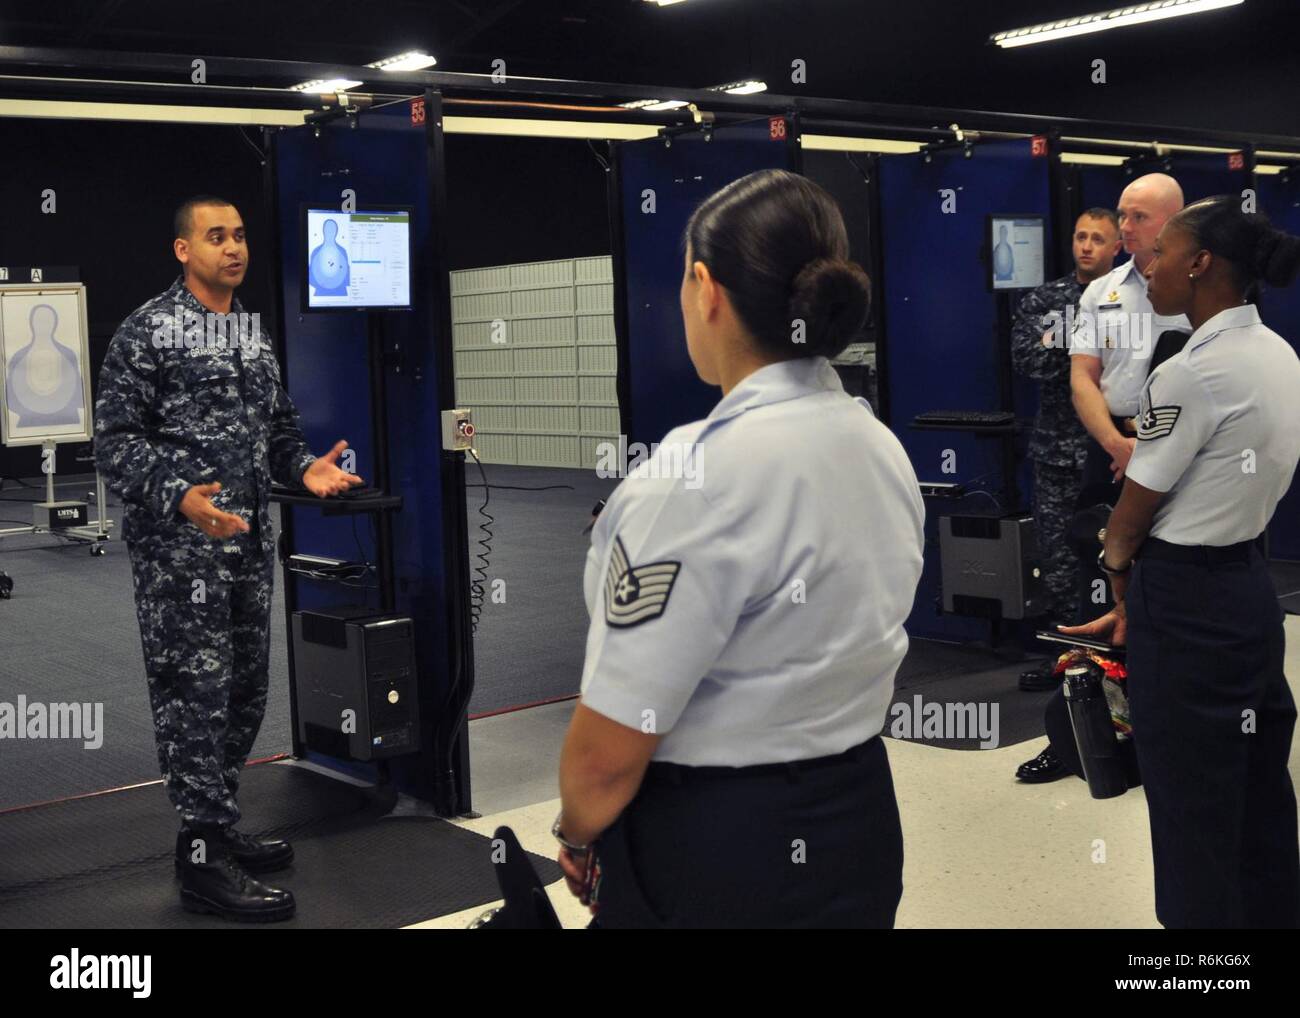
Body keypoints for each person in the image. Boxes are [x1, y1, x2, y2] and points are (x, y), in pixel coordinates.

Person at [552, 169, 925, 928]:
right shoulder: (878, 444)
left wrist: (578, 832)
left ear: (705, 288)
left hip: (717, 848)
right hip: (856, 819)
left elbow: (608, 750)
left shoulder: (692, 478)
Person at [95, 196, 363, 922]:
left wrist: (304, 466)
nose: (233, 248)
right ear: (183, 250)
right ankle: (202, 858)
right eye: (216, 237)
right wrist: (179, 494)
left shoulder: (250, 331)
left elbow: (277, 428)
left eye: (240, 235)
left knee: (245, 690)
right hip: (180, 559)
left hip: (245, 549)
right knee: (194, 699)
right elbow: (114, 441)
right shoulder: (148, 332)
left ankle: (217, 825)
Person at [1061, 195, 1300, 928]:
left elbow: (1134, 512)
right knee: (1258, 798)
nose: (1147, 261)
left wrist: (1117, 565)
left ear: (1199, 264)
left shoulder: (1190, 374)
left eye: (1160, 250)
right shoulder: (1279, 354)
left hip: (1187, 605)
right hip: (1247, 594)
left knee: (1190, 806)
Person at [1070, 174, 1190, 623]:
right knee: (1096, 549)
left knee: (1163, 556)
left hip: (1177, 444)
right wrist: (1116, 445)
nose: (1125, 225)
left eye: (1139, 217)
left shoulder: (1197, 287)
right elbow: (1082, 377)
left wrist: (1150, 447)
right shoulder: (1101, 291)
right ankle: (1093, 674)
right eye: (1122, 214)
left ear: (1172, 222)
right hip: (1110, 442)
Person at [1012, 208, 1121, 698]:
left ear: (1116, 246)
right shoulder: (1047, 298)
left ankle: (1114, 658)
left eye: (1098, 238)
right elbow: (1028, 360)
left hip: (1113, 452)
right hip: (1058, 452)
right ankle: (1066, 659)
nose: (1086, 246)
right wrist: (1079, 336)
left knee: (1111, 558)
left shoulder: (1132, 298)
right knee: (1058, 558)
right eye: (1080, 236)